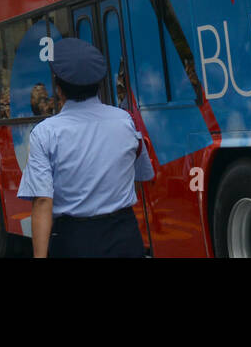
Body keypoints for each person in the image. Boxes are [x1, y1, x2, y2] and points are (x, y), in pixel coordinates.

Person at [17, 39, 154, 258]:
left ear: (59, 90)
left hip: (75, 241)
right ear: (99, 84)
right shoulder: (125, 120)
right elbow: (139, 177)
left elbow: (43, 200)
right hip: (125, 235)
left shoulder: (46, 133)